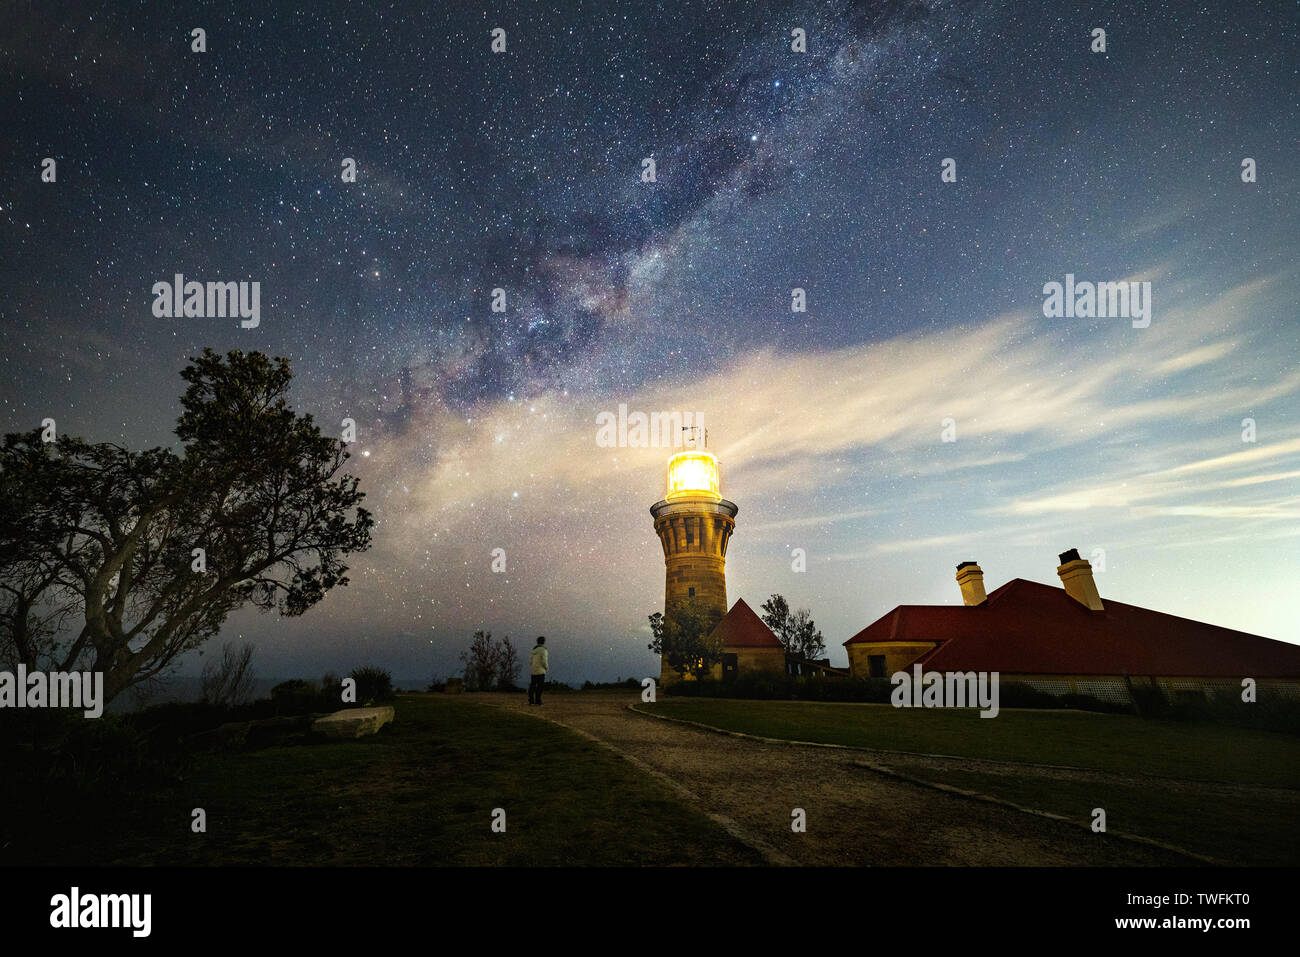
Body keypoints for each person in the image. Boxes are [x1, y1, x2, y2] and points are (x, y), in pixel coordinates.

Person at [528, 636, 548, 705]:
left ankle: (531, 701)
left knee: (532, 686)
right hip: (541, 671)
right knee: (540, 686)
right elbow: (544, 660)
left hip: (534, 670)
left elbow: (530, 661)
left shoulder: (534, 650)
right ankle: (538, 701)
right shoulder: (543, 650)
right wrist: (546, 667)